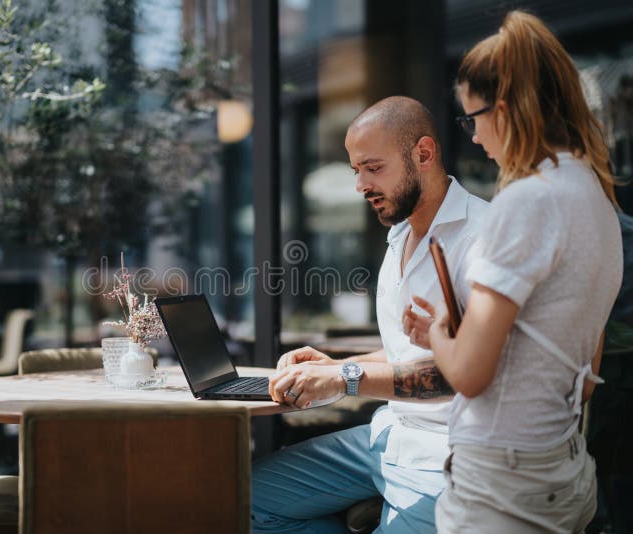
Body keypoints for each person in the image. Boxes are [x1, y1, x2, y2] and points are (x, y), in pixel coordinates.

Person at [404, 11, 623, 533]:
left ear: (501, 109)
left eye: (471, 120)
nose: (474, 138)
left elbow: (471, 376)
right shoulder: (595, 195)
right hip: (561, 467)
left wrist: (439, 333)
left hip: (501, 483)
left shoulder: (525, 203)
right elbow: (584, 373)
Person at [250, 95, 489, 533]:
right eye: (355, 170)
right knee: (243, 501)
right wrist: (336, 365)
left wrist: (346, 378)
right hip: (386, 435)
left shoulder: (483, 238)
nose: (360, 185)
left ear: (423, 154)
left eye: (373, 168)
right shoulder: (400, 235)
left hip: (448, 454)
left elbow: (459, 372)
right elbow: (403, 351)